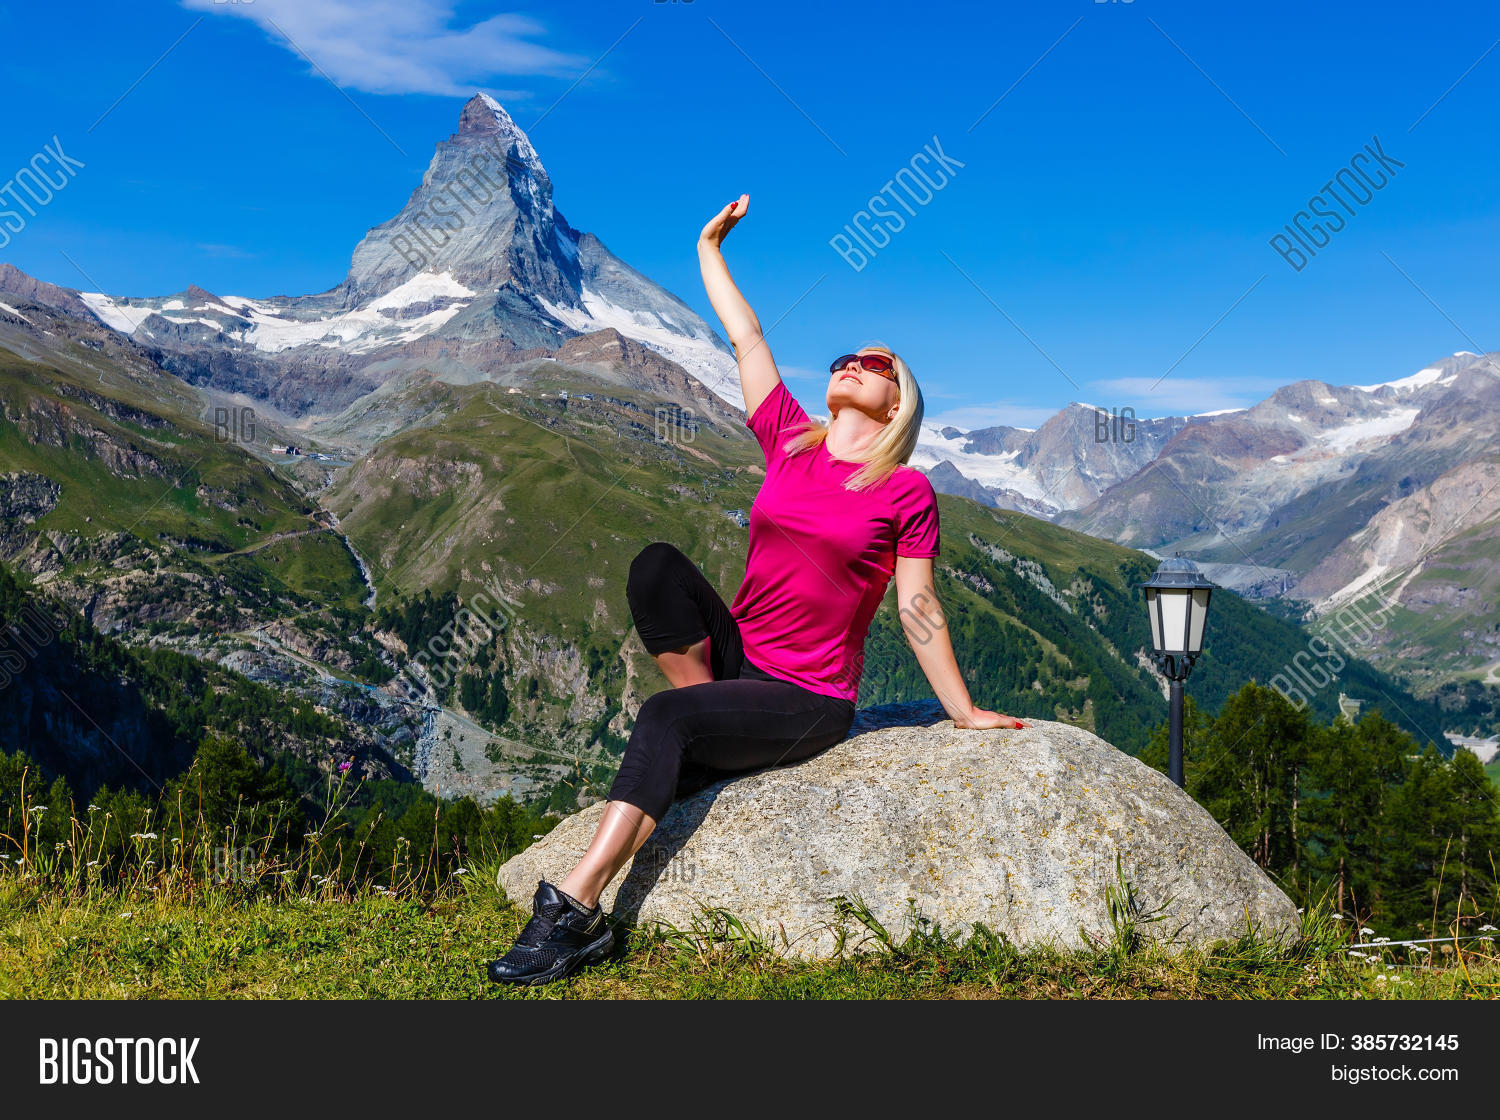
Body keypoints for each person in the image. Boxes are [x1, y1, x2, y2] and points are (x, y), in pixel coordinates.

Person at [487, 193, 1025, 986]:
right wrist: (709, 245)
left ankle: (575, 909)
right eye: (846, 355)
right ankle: (700, 741)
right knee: (657, 567)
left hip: (807, 698)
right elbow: (747, 335)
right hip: (741, 661)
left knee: (665, 715)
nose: (853, 363)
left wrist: (964, 712)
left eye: (875, 364)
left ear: (898, 398)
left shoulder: (904, 491)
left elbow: (916, 605)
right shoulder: (790, 443)